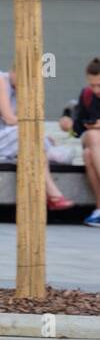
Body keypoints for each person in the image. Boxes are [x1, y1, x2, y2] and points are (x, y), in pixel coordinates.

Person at [0, 67, 74, 210]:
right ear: (15, 71)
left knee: (45, 151)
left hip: (6, 138)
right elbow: (9, 118)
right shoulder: (0, 80)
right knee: (34, 139)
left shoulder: (19, 88)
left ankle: (40, 201)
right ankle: (54, 195)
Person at [59, 57, 100, 226]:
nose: (96, 90)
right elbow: (78, 130)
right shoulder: (87, 95)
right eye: (92, 85)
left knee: (90, 148)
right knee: (89, 147)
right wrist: (68, 125)